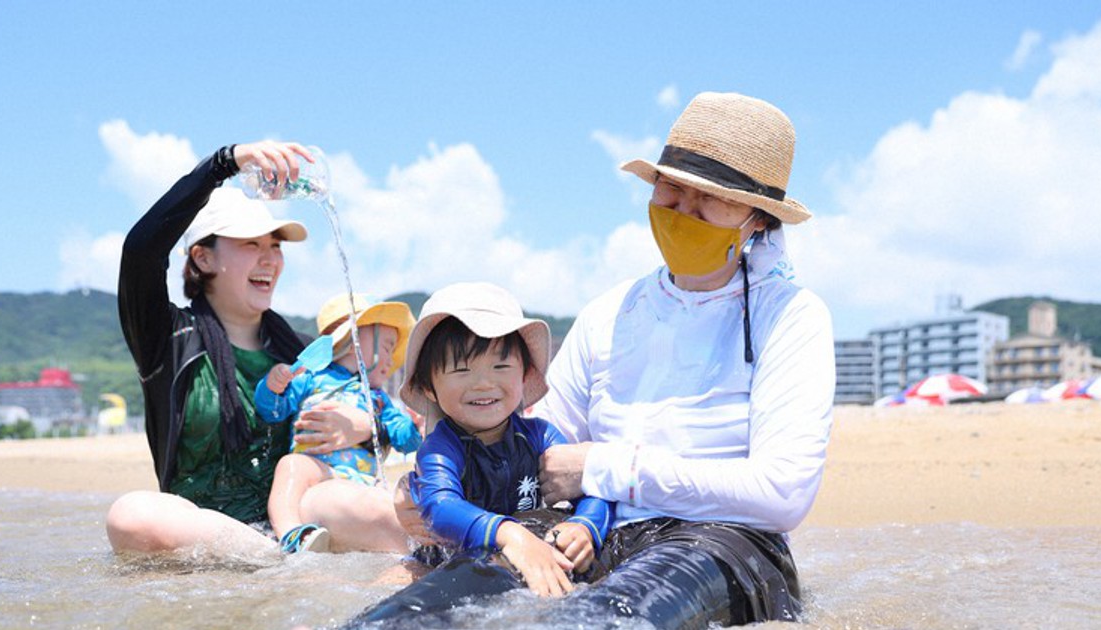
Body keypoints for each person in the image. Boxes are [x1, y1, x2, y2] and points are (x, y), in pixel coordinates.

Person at [532, 92, 837, 627]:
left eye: (711, 198)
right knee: (446, 597)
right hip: (595, 526)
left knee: (608, 617)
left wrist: (604, 467)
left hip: (726, 541)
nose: (684, 211)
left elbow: (782, 492)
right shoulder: (610, 311)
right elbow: (545, 450)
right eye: (672, 188)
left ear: (758, 220)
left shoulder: (790, 315)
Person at [106, 141, 408, 558]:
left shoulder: (303, 352)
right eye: (251, 244)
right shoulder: (169, 339)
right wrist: (223, 164)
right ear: (203, 258)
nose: (270, 260)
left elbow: (370, 427)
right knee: (131, 514)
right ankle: (266, 555)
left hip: (299, 517)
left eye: (275, 246)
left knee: (365, 506)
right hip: (204, 532)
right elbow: (141, 252)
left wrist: (364, 425)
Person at [351, 282, 613, 624]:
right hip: (446, 564)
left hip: (520, 552)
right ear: (428, 386)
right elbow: (441, 507)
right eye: (462, 370)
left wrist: (585, 525)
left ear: (525, 374)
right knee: (394, 588)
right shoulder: (440, 448)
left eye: (500, 367)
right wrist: (510, 534)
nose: (483, 383)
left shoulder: (540, 435)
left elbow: (589, 484)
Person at [254, 294, 421, 553]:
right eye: (388, 348)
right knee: (291, 465)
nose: (391, 361)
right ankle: (290, 533)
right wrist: (272, 386)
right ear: (354, 339)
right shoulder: (310, 379)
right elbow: (272, 410)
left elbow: (405, 440)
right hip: (316, 471)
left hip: (362, 481)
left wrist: (415, 426)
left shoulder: (378, 399)